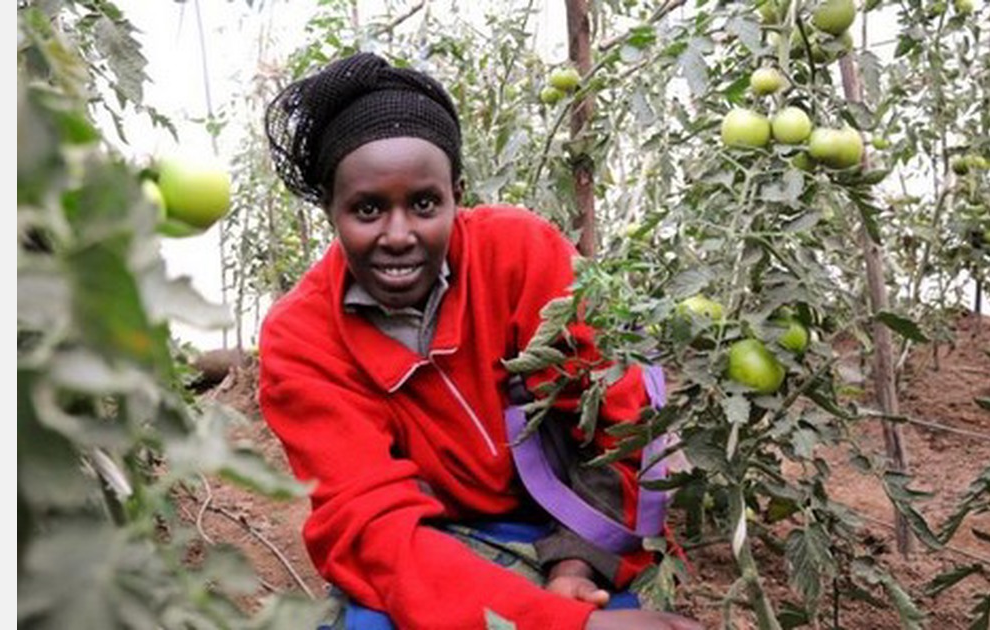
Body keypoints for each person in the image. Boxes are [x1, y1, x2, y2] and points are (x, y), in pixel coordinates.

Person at [259, 51, 701, 630]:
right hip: (431, 543)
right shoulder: (302, 337)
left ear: (456, 194)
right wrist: (564, 625)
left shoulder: (519, 253)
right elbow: (372, 529)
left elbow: (619, 414)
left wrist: (577, 563)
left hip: (565, 520)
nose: (399, 235)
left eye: (424, 204)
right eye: (367, 209)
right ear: (330, 211)